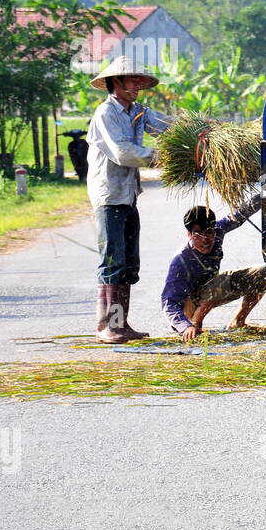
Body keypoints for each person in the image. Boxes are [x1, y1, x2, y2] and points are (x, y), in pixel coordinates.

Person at [86, 55, 170, 344]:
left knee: (128, 262)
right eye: (131, 80)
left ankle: (122, 324)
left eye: (138, 80)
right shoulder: (106, 114)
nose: (136, 85)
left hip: (128, 194)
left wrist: (198, 132)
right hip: (109, 195)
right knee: (112, 259)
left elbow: (165, 125)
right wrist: (160, 157)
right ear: (115, 82)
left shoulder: (137, 111)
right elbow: (122, 152)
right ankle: (106, 326)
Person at [162, 198, 266, 342]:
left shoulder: (217, 232)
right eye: (198, 234)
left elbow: (238, 214)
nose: (205, 239)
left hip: (214, 288)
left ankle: (238, 321)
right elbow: (169, 302)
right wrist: (185, 326)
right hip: (189, 307)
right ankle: (195, 328)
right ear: (189, 235)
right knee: (218, 283)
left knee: (263, 273)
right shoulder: (180, 261)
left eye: (209, 232)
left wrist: (263, 197)